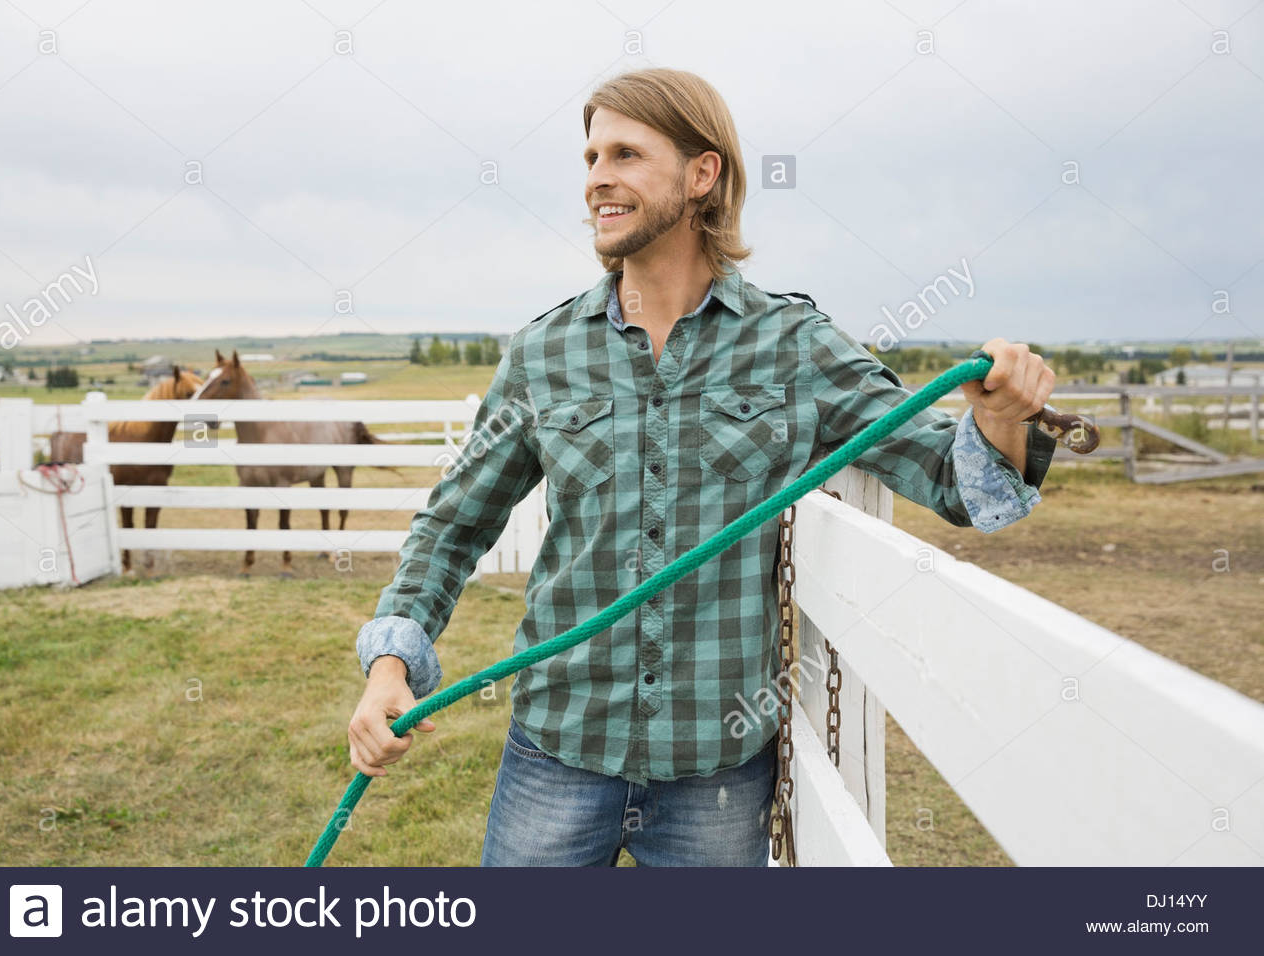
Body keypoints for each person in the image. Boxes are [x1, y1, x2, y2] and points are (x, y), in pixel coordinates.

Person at [347, 67, 1057, 867]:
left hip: (715, 777)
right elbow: (453, 524)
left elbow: (951, 478)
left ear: (701, 173)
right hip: (557, 750)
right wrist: (391, 665)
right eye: (589, 159)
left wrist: (999, 415)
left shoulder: (792, 345)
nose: (596, 181)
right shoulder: (543, 354)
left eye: (625, 155)